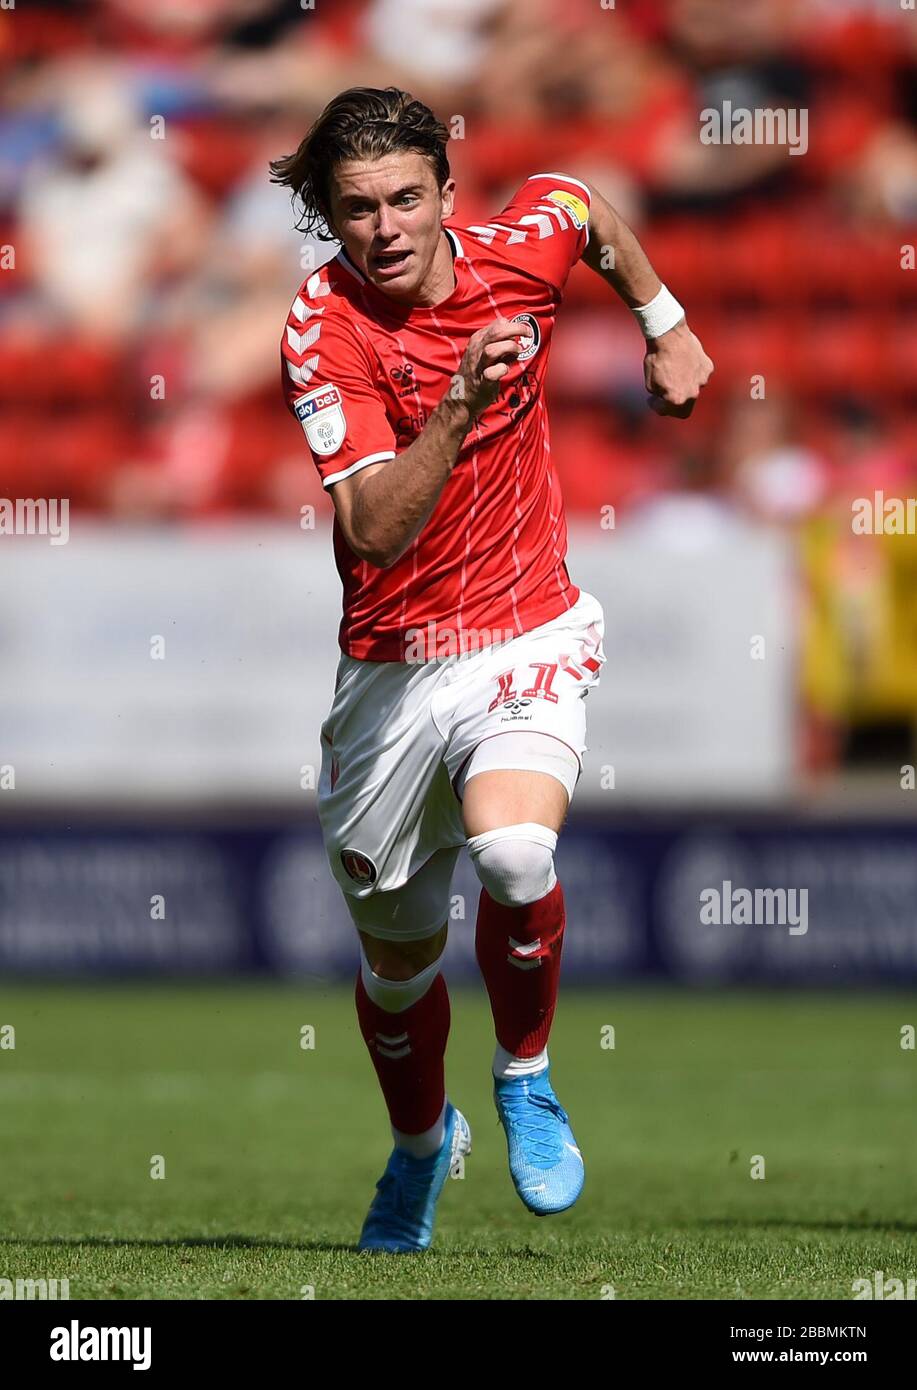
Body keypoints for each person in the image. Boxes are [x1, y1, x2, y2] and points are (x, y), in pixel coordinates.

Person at [272, 86, 712, 1253]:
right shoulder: (323, 329)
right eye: (357, 207)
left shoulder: (517, 252)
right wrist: (460, 400)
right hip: (391, 669)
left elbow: (580, 203)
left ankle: (526, 1075)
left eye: (406, 197)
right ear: (328, 215)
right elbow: (370, 529)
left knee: (516, 851)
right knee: (399, 968)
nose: (386, 227)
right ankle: (421, 1150)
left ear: (445, 194)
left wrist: (664, 320)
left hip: (527, 628)